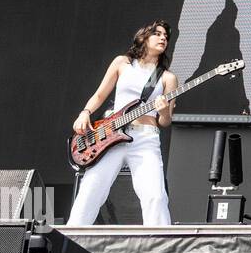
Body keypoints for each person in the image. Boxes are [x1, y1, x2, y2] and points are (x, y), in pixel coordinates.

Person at [67, 21, 177, 226]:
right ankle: (71, 239)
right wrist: (85, 113)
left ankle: (161, 244)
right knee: (91, 190)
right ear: (143, 37)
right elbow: (99, 95)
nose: (163, 38)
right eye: (158, 34)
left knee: (155, 196)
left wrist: (163, 111)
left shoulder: (168, 78)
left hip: (145, 138)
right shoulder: (122, 63)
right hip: (111, 135)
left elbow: (165, 121)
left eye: (166, 37)